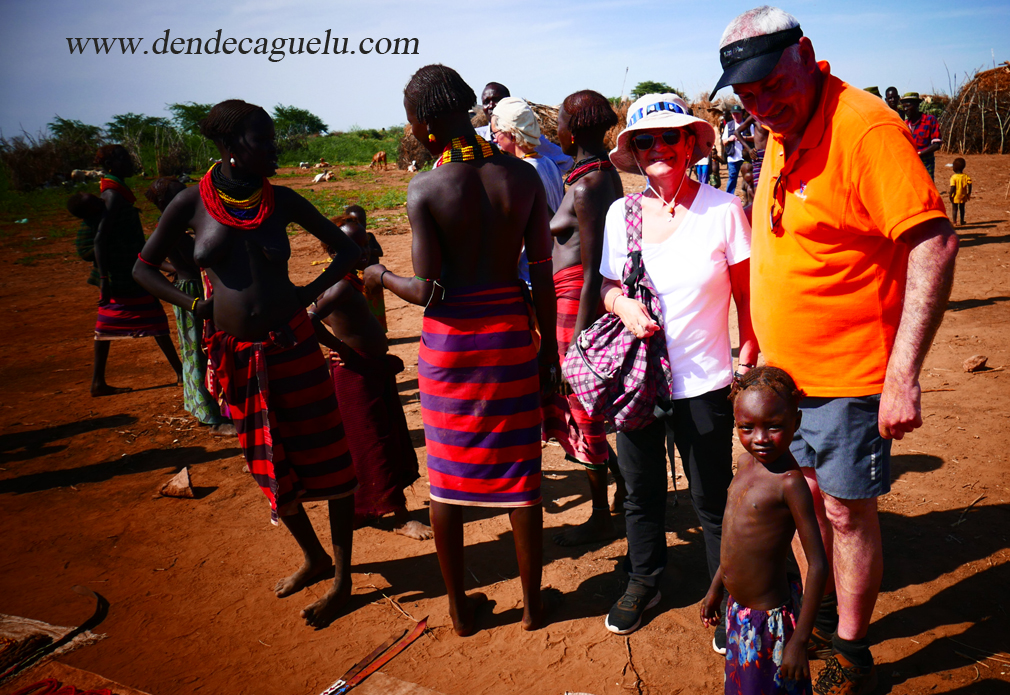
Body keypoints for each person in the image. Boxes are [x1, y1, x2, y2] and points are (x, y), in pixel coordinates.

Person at [712, 7, 958, 693]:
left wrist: (903, 373)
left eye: (771, 85)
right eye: (748, 95)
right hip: (784, 379)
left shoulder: (864, 129)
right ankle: (818, 616)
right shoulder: (782, 127)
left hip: (851, 376)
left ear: (806, 53)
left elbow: (933, 244)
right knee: (808, 502)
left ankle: (849, 645)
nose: (763, 103)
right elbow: (783, 239)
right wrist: (757, 331)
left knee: (847, 512)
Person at [133, 99, 363, 628]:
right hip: (236, 357)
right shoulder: (190, 204)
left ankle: (343, 579)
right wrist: (193, 304)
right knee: (270, 465)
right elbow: (142, 269)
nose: (276, 149)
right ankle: (315, 557)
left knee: (329, 460)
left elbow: (347, 253)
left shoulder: (281, 201)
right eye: (266, 141)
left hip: (294, 346)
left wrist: (305, 292)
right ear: (232, 149)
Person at [364, 64, 560, 636]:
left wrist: (379, 275)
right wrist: (547, 352)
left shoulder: (426, 187)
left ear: (424, 127)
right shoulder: (520, 178)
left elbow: (429, 290)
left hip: (450, 345)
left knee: (447, 479)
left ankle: (458, 610)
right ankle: (533, 606)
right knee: (522, 476)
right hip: (508, 335)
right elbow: (543, 276)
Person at [598, 93, 757, 639]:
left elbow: (747, 294)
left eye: (671, 136)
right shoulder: (622, 214)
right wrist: (622, 306)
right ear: (634, 152)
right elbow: (608, 287)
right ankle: (645, 578)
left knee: (711, 498)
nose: (659, 147)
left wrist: (752, 348)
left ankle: (726, 592)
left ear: (692, 142)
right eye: (645, 139)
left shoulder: (723, 211)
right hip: (638, 382)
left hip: (705, 381)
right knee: (640, 492)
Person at [702, 366, 827, 695]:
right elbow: (733, 539)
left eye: (774, 427)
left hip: (769, 623)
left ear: (795, 423)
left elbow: (817, 564)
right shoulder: (744, 464)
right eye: (747, 427)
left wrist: (799, 641)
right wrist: (717, 587)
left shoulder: (790, 483)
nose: (760, 438)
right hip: (738, 612)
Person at [309, 215, 432, 540]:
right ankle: (399, 516)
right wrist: (340, 348)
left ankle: (360, 510)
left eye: (365, 243)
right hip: (355, 375)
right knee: (373, 443)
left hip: (368, 369)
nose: (365, 251)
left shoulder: (348, 279)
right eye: (356, 245)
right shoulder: (337, 284)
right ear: (334, 249)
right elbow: (307, 319)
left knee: (380, 438)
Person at [543, 89, 627, 546]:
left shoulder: (591, 182)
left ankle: (601, 513)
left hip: (577, 299)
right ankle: (622, 487)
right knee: (580, 403)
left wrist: (577, 341)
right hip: (570, 296)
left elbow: (595, 263)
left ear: (572, 128)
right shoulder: (590, 174)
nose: (553, 125)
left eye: (557, 118)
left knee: (582, 403)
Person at [89, 145, 182, 397]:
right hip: (122, 272)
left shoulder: (117, 192)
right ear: (112, 164)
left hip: (124, 268)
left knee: (107, 322)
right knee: (154, 317)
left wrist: (162, 265)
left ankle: (98, 381)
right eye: (125, 160)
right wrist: (105, 279)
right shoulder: (113, 195)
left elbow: (131, 242)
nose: (131, 164)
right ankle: (181, 372)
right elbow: (101, 239)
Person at [144, 177, 234, 435]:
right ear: (165, 203)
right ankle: (211, 418)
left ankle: (207, 408)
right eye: (179, 195)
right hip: (192, 294)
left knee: (199, 349)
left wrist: (175, 268)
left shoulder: (174, 227)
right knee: (197, 351)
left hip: (191, 288)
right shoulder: (171, 228)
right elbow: (151, 261)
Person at [491, 96, 565, 287]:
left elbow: (518, 231)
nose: (494, 139)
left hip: (530, 270)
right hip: (555, 263)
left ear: (512, 133)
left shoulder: (521, 172)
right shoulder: (549, 163)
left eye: (496, 133)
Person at [475, 81, 573, 172]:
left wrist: (545, 176)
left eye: (496, 100)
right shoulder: (476, 138)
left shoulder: (530, 138)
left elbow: (566, 160)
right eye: (486, 102)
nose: (491, 105)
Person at [345, 204, 388, 332]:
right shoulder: (349, 239)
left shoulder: (369, 237)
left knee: (377, 306)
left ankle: (381, 333)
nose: (361, 225)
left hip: (374, 277)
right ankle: (370, 334)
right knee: (363, 308)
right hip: (359, 278)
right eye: (357, 222)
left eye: (363, 221)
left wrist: (367, 249)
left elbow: (380, 252)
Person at [900, 92, 943, 181]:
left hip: (926, 163)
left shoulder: (929, 120)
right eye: (904, 107)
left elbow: (936, 144)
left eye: (908, 106)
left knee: (927, 189)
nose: (905, 109)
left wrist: (920, 154)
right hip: (910, 164)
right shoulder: (905, 124)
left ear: (916, 105)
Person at [721, 105, 753, 194]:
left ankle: (749, 196)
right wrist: (729, 139)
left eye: (737, 114)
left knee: (748, 178)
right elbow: (724, 141)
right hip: (733, 157)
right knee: (732, 178)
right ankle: (728, 197)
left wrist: (743, 138)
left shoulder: (748, 124)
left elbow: (755, 137)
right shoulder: (729, 125)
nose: (735, 116)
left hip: (746, 157)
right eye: (734, 114)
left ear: (741, 113)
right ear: (731, 115)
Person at [948, 157, 972, 226]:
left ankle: (954, 222)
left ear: (954, 168)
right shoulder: (965, 176)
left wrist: (950, 194)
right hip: (963, 195)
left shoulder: (953, 177)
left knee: (954, 209)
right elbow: (970, 184)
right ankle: (962, 221)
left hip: (955, 196)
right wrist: (969, 193)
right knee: (962, 209)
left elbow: (953, 187)